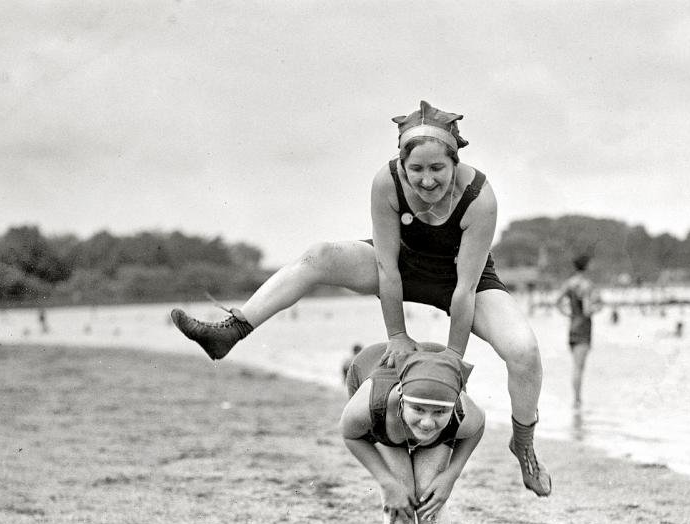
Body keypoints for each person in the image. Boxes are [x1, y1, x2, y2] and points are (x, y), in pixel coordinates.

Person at [169, 101, 551, 497]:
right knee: (321, 256)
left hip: (462, 279)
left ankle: (524, 441)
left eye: (437, 168)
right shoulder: (386, 182)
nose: (426, 180)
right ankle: (231, 331)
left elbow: (464, 290)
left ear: (454, 162)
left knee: (524, 351)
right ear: (401, 165)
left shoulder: (479, 197)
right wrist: (398, 337)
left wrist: (454, 356)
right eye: (415, 169)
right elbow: (387, 268)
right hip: (401, 265)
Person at [340, 342, 485, 524]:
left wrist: (451, 476)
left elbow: (477, 429)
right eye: (418, 409)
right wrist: (386, 481)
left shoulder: (461, 410)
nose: (428, 422)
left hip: (437, 372)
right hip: (382, 403)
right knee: (400, 496)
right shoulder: (372, 403)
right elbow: (350, 434)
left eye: (438, 414)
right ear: (403, 398)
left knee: (430, 494)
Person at [553, 253, 602, 408]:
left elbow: (557, 302)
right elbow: (587, 310)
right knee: (579, 368)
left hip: (572, 327)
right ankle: (577, 400)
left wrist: (568, 314)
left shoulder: (570, 283)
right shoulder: (587, 285)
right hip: (584, 329)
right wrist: (597, 308)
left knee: (575, 366)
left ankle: (576, 399)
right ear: (586, 266)